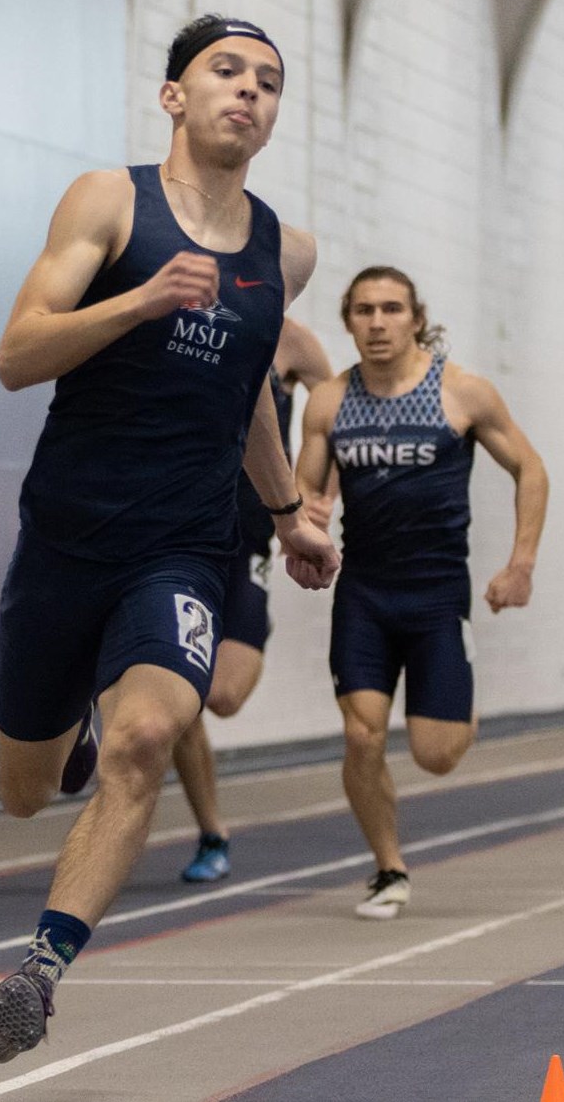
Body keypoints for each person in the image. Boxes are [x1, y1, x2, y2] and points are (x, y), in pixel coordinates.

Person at [0, 14, 340, 1064]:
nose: (249, 92)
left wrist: (285, 517)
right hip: (66, 538)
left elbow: (245, 403)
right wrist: (139, 300)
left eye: (268, 82)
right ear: (175, 95)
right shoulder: (108, 201)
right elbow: (14, 354)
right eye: (226, 72)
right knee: (25, 791)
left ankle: (39, 971)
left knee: (148, 737)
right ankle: (68, 730)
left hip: (182, 547)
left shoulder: (284, 252)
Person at [292, 267, 548, 921]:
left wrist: (519, 564)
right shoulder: (327, 401)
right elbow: (303, 499)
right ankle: (387, 868)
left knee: (437, 755)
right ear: (347, 320)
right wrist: (304, 536)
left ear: (414, 317)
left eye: (390, 309)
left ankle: (455, 703)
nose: (377, 322)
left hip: (436, 596)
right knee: (361, 734)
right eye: (364, 310)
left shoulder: (461, 393)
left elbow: (530, 468)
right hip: (365, 596)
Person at [174, 317, 335, 884]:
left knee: (221, 695)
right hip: (176, 538)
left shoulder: (290, 341)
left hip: (247, 542)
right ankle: (212, 832)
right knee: (179, 695)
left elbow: (337, 413)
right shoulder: (175, 319)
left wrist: (316, 494)